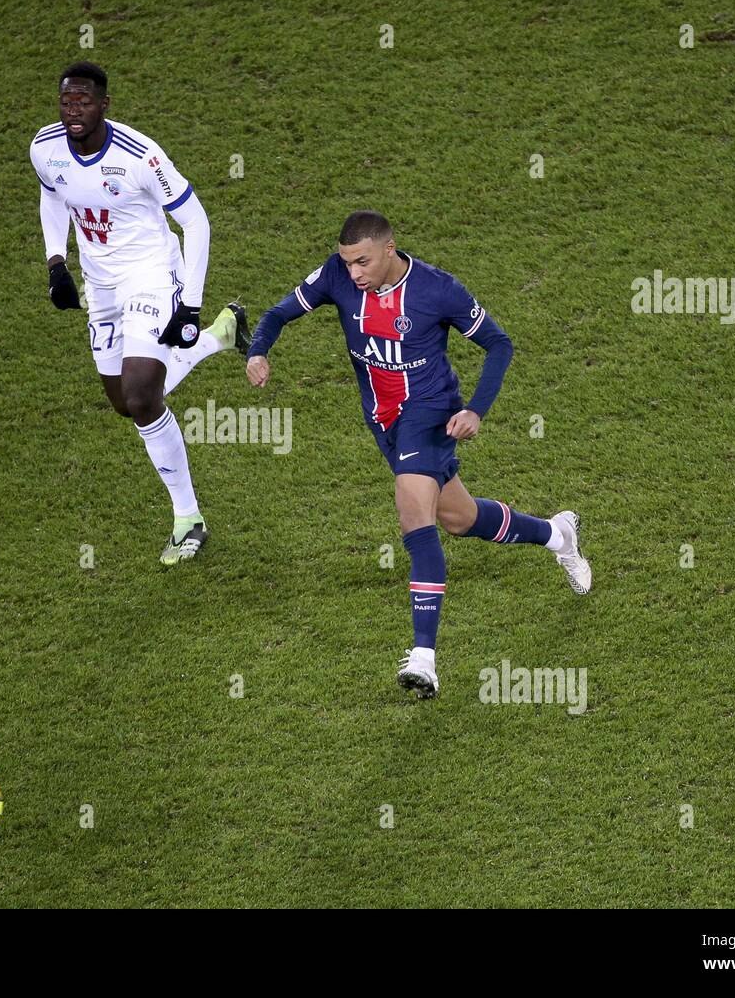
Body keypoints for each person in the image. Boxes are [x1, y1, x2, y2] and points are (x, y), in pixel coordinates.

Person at [246, 210, 591, 698]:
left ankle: (424, 658)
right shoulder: (336, 276)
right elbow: (278, 313)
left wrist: (475, 409)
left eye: (362, 262)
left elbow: (498, 343)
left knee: (413, 513)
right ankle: (558, 535)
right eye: (347, 264)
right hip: (383, 421)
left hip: (430, 413)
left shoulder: (437, 289)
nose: (353, 274)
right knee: (458, 518)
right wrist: (259, 351)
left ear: (389, 249)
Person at [30, 62, 250, 564]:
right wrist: (56, 263)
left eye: (83, 102)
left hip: (151, 273)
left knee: (141, 395)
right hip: (100, 283)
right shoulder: (45, 148)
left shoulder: (140, 157)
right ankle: (221, 334)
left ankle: (188, 518)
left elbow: (196, 222)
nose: (73, 112)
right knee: (123, 403)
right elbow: (52, 195)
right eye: (66, 102)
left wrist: (189, 305)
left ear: (104, 105)